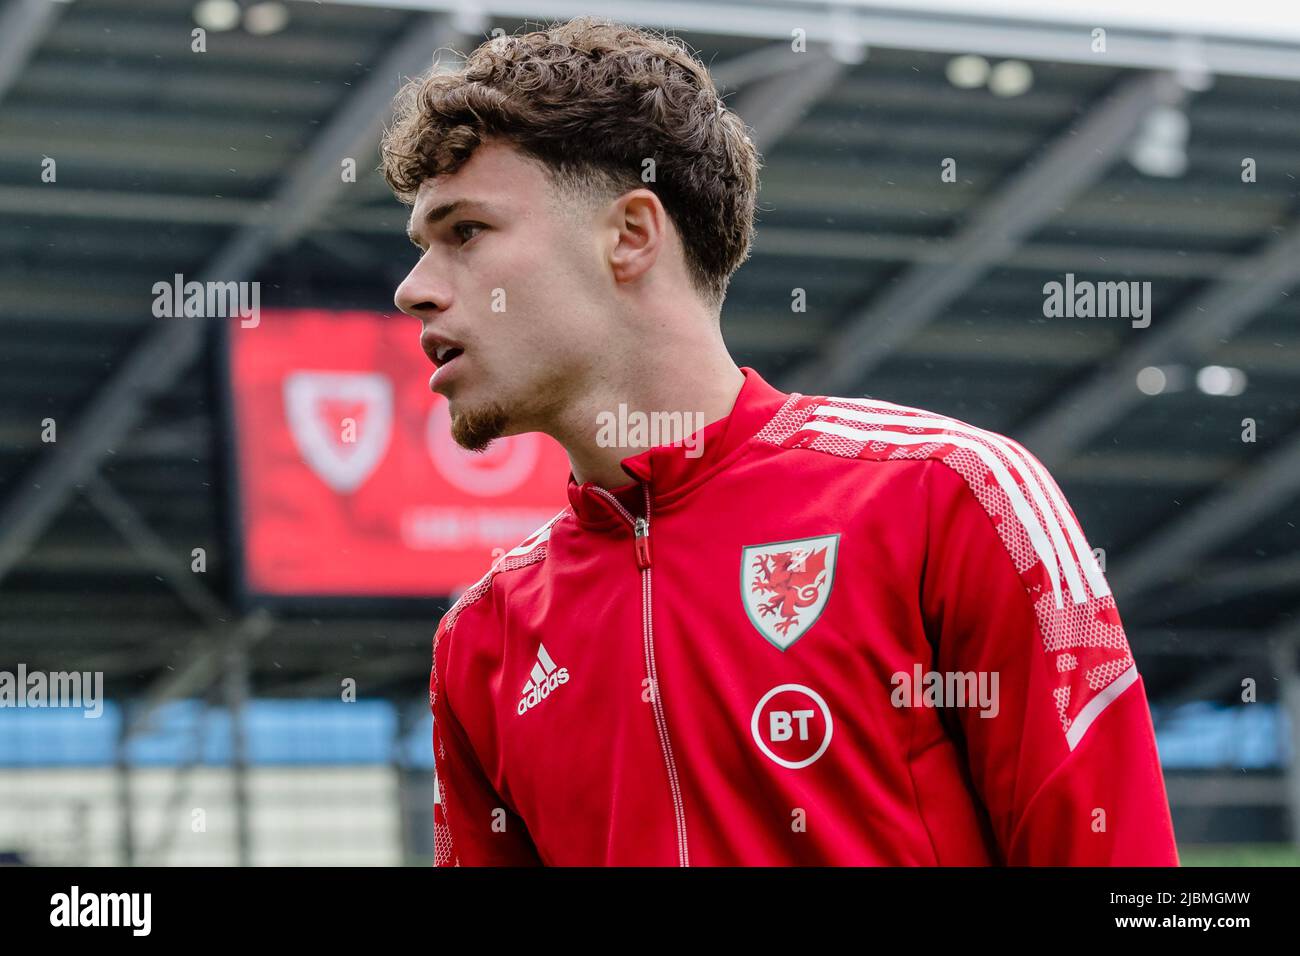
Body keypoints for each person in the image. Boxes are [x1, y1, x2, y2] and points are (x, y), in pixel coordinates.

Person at [385, 17, 1178, 866]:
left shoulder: (952, 495)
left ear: (631, 235)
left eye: (464, 232)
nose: (413, 291)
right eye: (422, 246)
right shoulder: (482, 643)